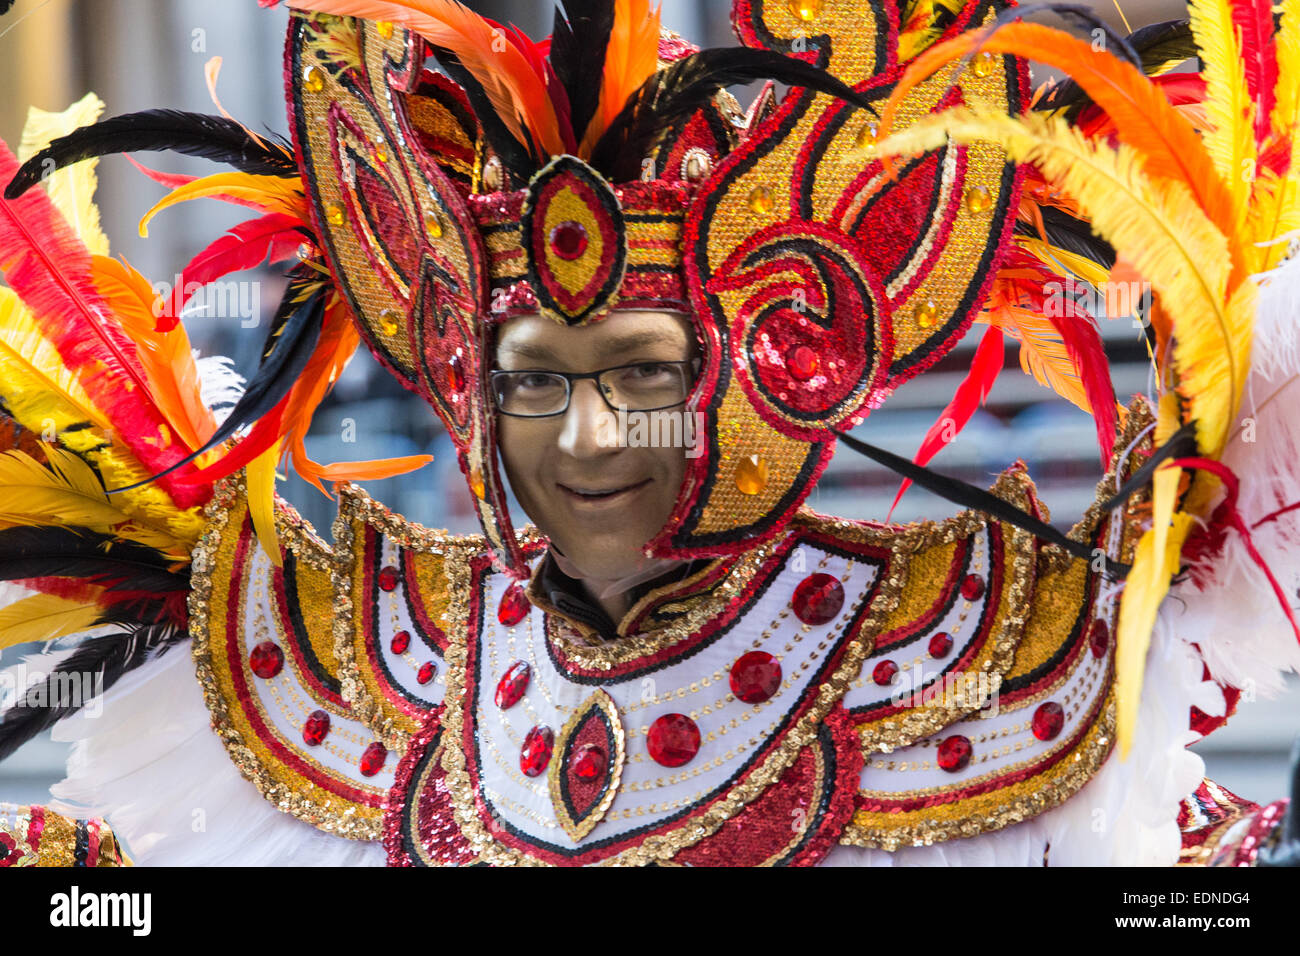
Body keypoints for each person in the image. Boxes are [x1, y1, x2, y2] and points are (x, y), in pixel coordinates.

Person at [0, 0, 1296, 867]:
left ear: (760, 368)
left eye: (636, 373)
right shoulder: (356, 666)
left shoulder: (1001, 651)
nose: (587, 437)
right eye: (536, 382)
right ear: (466, 389)